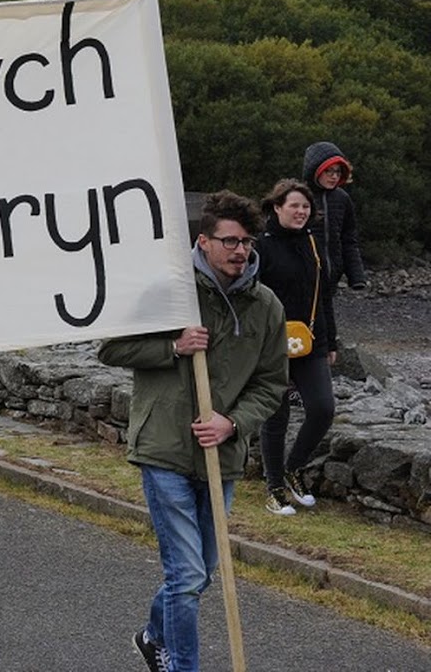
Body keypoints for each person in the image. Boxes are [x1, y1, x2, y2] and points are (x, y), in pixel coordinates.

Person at [97, 191, 287, 672]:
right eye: (229, 241)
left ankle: (151, 634)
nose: (240, 250)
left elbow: (271, 384)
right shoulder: (168, 291)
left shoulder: (266, 306)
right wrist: (174, 346)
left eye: (246, 241)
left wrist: (233, 422)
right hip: (164, 447)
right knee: (184, 576)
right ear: (203, 242)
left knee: (203, 573)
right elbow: (113, 350)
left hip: (220, 454)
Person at [256, 179, 334, 516]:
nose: (301, 212)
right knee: (277, 416)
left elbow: (324, 296)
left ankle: (294, 467)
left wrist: (332, 342)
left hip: (311, 341)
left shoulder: (314, 243)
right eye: (294, 206)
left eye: (306, 207)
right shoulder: (261, 246)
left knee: (322, 408)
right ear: (277, 207)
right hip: (272, 344)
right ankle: (274, 488)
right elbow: (251, 299)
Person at [303, 141, 367, 338]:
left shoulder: (342, 199)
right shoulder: (299, 196)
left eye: (337, 172)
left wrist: (356, 276)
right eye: (328, 171)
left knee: (325, 314)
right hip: (304, 271)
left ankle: (328, 350)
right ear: (315, 170)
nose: (333, 176)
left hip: (332, 273)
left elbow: (349, 239)